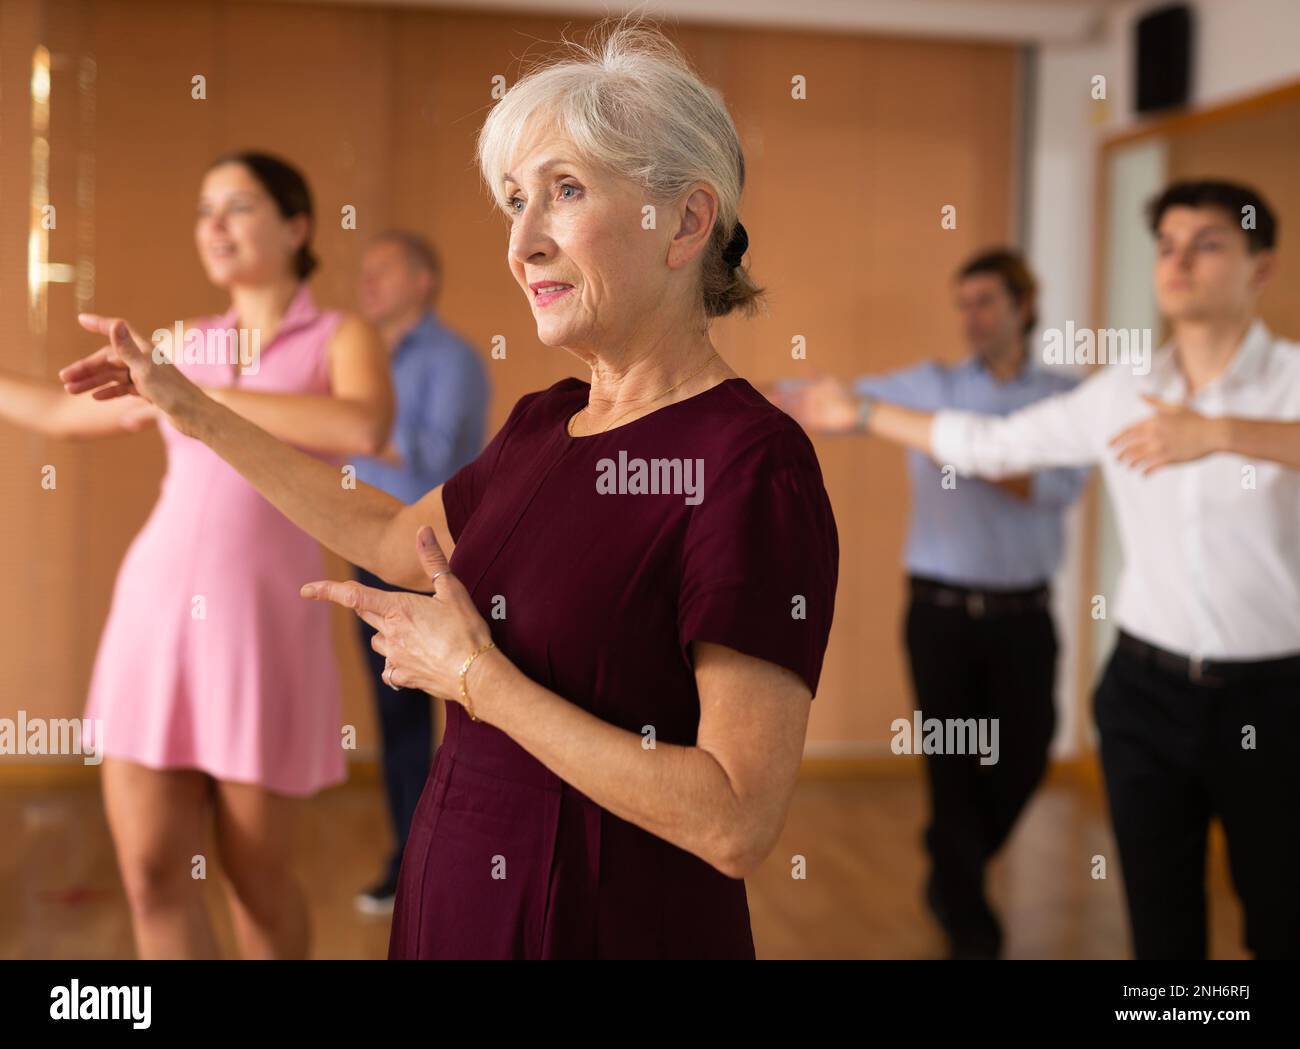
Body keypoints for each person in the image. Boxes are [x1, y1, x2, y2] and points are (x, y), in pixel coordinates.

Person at [63, 19, 840, 959]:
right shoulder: (544, 422)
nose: (522, 243)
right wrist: (196, 413)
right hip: (456, 908)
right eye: (516, 201)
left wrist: (476, 679)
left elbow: (735, 819)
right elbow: (394, 539)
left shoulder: (753, 464)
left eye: (564, 192)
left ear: (684, 222)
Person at [836, 180, 1300, 959]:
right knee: (1161, 920)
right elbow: (989, 445)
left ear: (1261, 268)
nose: (1180, 260)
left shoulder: (1289, 378)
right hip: (1144, 697)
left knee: (1282, 915)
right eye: (1167, 245)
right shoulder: (1122, 391)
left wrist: (1219, 431)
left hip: (1276, 698)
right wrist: (862, 412)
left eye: (1208, 242)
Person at [1, 151, 393, 958]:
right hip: (154, 617)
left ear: (296, 227)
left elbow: (359, 427)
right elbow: (59, 411)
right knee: (148, 873)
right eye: (204, 208)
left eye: (238, 206)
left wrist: (184, 392)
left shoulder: (338, 334)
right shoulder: (176, 345)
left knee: (257, 879)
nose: (214, 225)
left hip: (262, 627)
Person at [774, 249, 1088, 958]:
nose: (971, 317)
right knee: (952, 762)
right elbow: (823, 400)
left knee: (1027, 750)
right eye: (964, 303)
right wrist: (722, 393)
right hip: (940, 613)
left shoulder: (1065, 397)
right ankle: (966, 916)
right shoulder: (929, 384)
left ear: (1023, 306)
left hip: (1024, 615)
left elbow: (1052, 488)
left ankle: (954, 855)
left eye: (985, 301)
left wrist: (959, 443)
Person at [351, 230, 489, 914]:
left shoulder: (453, 359)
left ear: (423, 281)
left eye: (383, 269)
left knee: (464, 717)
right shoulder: (363, 357)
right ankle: (408, 858)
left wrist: (359, 418)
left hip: (433, 559)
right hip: (371, 557)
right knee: (394, 714)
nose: (367, 281)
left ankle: (452, 866)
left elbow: (434, 458)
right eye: (364, 270)